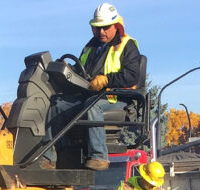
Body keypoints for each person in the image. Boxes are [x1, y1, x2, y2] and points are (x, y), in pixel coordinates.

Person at [41, 3, 141, 171]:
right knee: (57, 105)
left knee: (92, 106)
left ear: (116, 26)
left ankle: (99, 156)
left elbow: (132, 75)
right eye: (96, 28)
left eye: (105, 27)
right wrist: (69, 70)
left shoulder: (127, 45)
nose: (101, 32)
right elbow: (82, 71)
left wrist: (106, 80)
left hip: (116, 98)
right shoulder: (90, 46)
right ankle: (50, 158)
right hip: (90, 95)